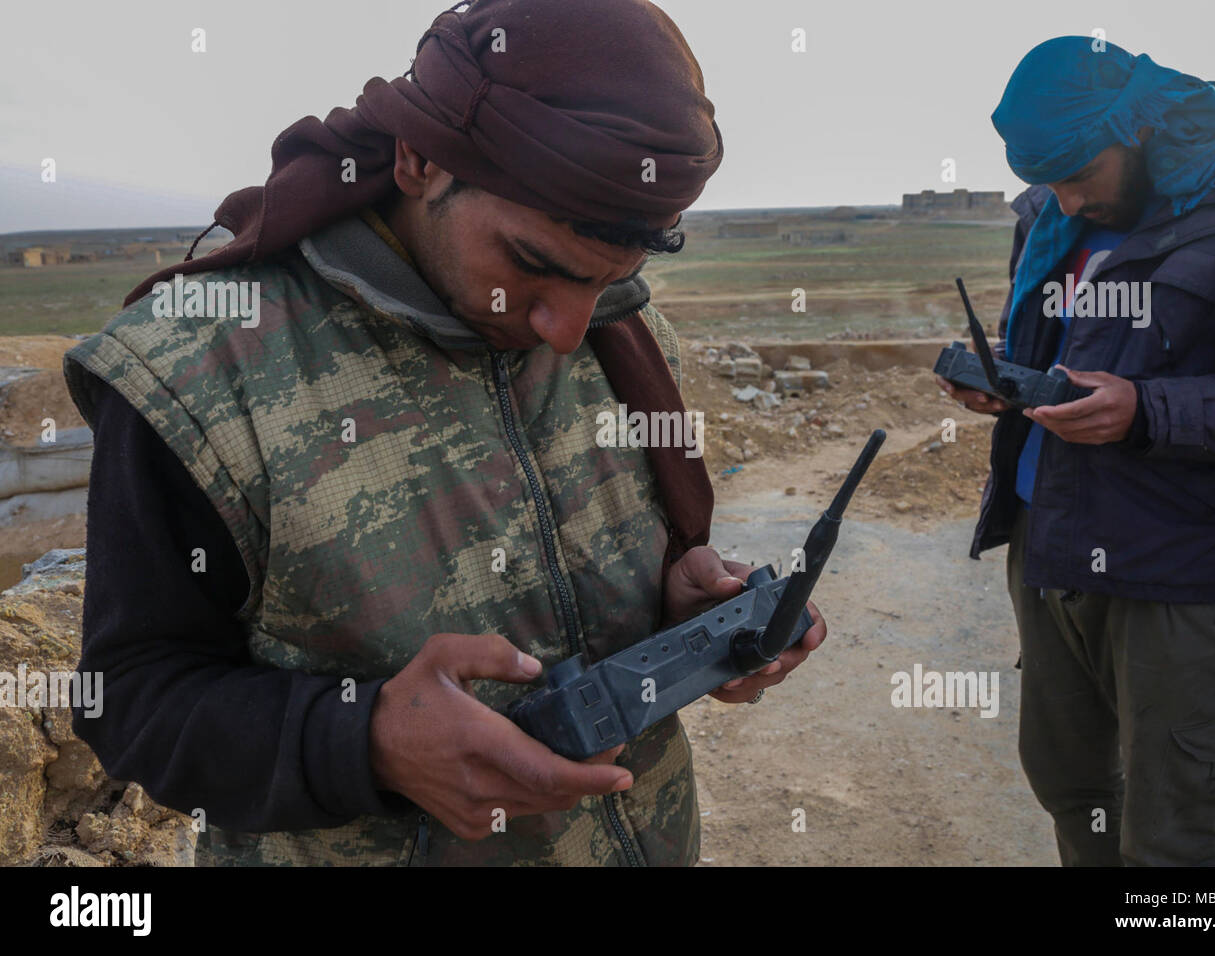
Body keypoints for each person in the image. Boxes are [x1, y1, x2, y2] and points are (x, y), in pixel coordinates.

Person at [63, 0, 827, 867]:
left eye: (613, 280)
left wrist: (683, 618)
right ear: (420, 159)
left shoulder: (619, 332)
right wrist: (368, 740)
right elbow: (129, 699)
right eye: (532, 266)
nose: (567, 329)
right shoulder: (200, 374)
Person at [938, 36, 1215, 865]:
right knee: (1071, 788)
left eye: (1077, 177)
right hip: (1048, 541)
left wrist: (1148, 411)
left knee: (1171, 825)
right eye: (1048, 182)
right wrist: (1008, 386)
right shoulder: (1047, 215)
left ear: (1135, 131)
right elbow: (1053, 346)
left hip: (1173, 564)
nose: (1063, 202)